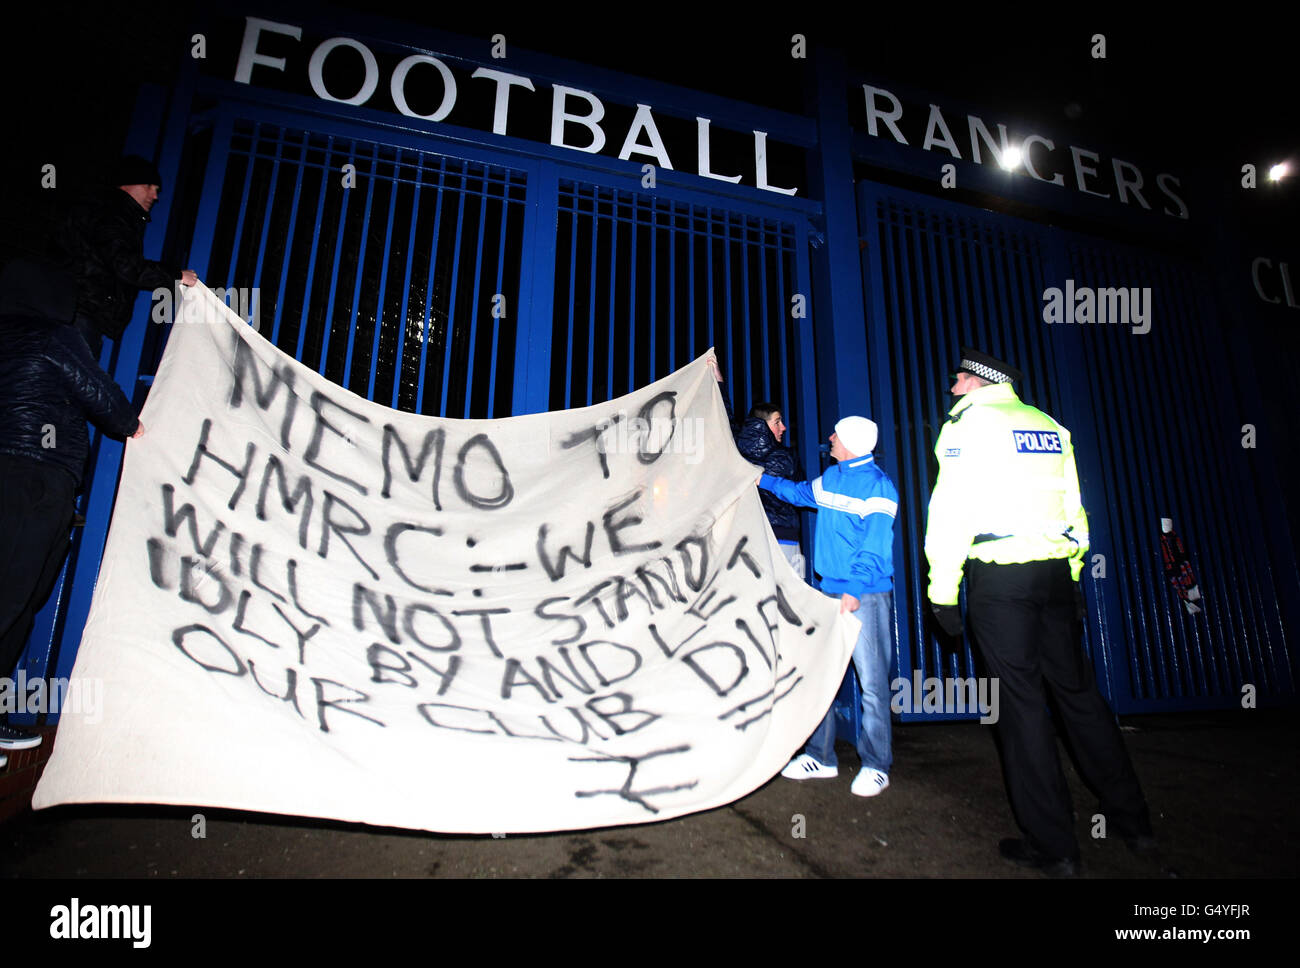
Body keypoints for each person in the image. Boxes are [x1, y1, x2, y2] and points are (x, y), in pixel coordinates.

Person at [923, 346, 1154, 876]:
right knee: (1079, 696)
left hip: (1001, 579)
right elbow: (1075, 508)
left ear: (978, 382)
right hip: (1053, 575)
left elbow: (949, 510)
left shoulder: (968, 427)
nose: (951, 389)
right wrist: (1070, 573)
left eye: (957, 380)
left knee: (1019, 706)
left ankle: (1055, 846)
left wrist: (942, 590)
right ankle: (1132, 820)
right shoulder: (1049, 426)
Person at [0, 259, 143, 753]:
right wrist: (133, 425)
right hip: (36, 476)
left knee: (16, 597)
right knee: (17, 597)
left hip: (17, 473)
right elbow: (98, 393)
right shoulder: (51, 335)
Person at [758, 417, 898, 797]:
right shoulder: (833, 477)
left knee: (871, 682)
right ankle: (821, 757)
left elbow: (875, 544)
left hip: (863, 594)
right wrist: (761, 479)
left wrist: (853, 588)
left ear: (851, 442)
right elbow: (801, 494)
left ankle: (876, 764)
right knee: (822, 675)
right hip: (828, 590)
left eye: (837, 434)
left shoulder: (879, 487)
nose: (831, 438)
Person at [51, 155, 198, 357]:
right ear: (127, 184)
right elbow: (124, 265)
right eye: (149, 186)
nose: (154, 196)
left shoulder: (105, 211)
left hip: (77, 311)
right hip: (81, 313)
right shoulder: (111, 214)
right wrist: (176, 275)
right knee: (71, 381)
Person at [734, 403, 799, 542]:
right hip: (781, 533)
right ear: (762, 426)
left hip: (744, 533)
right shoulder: (783, 456)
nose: (783, 427)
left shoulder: (735, 452)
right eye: (777, 422)